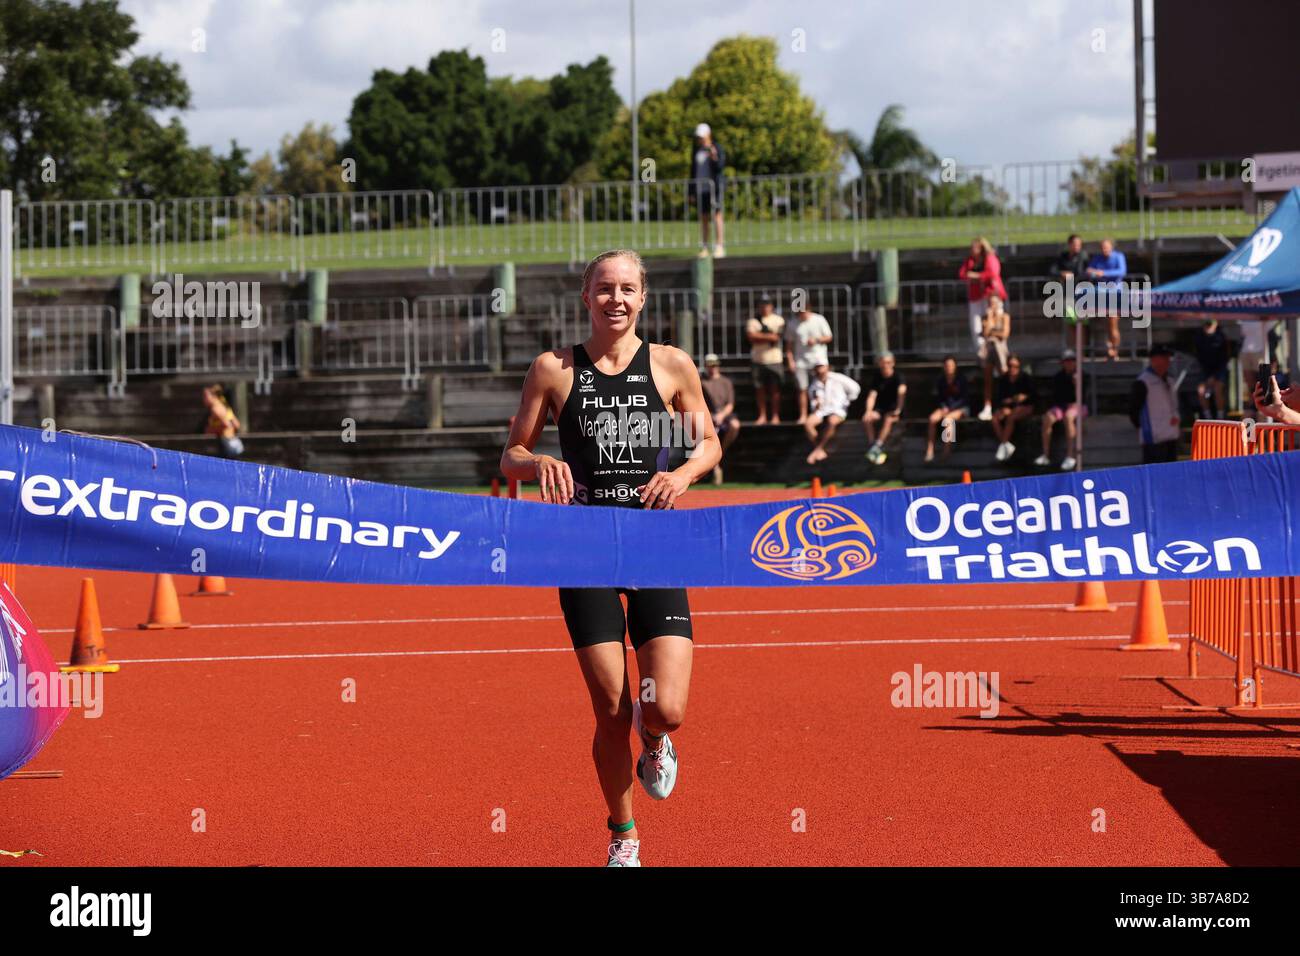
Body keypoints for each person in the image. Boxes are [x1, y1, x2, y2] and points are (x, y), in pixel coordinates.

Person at [499, 249, 721, 867]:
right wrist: (539, 460)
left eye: (627, 289)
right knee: (611, 707)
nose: (615, 300)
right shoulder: (554, 369)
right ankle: (624, 839)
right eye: (604, 289)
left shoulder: (672, 366)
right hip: (585, 549)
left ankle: (656, 740)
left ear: (643, 298)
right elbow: (511, 454)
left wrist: (680, 478)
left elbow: (706, 443)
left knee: (664, 707)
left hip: (654, 545)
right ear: (585, 296)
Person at [1034, 350, 1086, 471]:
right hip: (1061, 406)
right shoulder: (1058, 377)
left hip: (1078, 406)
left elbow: (1082, 398)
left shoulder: (1082, 376)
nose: (1069, 363)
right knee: (1047, 417)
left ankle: (1070, 455)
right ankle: (1045, 455)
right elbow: (1056, 397)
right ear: (1063, 363)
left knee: (1068, 417)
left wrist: (1076, 385)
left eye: (1072, 361)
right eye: (1067, 361)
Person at [1128, 344, 1180, 463]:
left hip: (1171, 436)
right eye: (1164, 357)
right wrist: (1145, 429)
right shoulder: (1143, 382)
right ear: (1154, 360)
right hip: (1154, 440)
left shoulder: (1170, 380)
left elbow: (1174, 405)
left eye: (1168, 358)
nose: (1168, 361)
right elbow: (1134, 410)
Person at [958, 237, 1007, 353]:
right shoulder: (970, 260)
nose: (972, 250)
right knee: (976, 326)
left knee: (993, 323)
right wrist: (979, 277)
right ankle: (982, 350)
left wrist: (976, 276)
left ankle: (997, 349)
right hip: (976, 296)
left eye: (975, 247)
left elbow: (993, 273)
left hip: (991, 295)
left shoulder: (990, 258)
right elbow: (962, 274)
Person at [784, 309, 834, 424]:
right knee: (802, 389)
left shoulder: (819, 319)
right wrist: (790, 361)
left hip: (819, 361)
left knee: (820, 388)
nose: (802, 315)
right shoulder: (792, 323)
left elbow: (829, 337)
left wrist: (816, 340)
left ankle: (821, 414)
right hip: (800, 362)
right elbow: (789, 346)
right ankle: (803, 415)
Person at [805, 363, 860, 465]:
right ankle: (819, 449)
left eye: (821, 367)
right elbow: (813, 404)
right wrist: (816, 405)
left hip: (838, 410)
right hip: (822, 411)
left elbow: (855, 388)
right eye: (818, 368)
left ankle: (818, 449)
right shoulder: (814, 385)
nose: (820, 370)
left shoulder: (838, 378)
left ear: (827, 367)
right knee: (808, 423)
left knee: (832, 421)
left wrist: (847, 401)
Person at [745, 294, 786, 425]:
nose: (764, 307)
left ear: (772, 306)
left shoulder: (778, 320)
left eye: (767, 304)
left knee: (775, 390)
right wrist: (768, 336)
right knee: (760, 389)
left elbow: (777, 337)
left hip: (775, 360)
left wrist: (760, 336)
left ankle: (775, 416)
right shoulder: (752, 321)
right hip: (758, 360)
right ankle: (762, 416)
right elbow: (751, 337)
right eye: (762, 305)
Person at [1085, 238, 1128, 360]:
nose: (1105, 250)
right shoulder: (1097, 258)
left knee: (1113, 322)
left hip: (1115, 293)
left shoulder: (1118, 256)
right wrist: (1094, 273)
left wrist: (1102, 273)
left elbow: (1122, 271)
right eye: (1103, 247)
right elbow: (1089, 270)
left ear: (1112, 247)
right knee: (1106, 324)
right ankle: (1110, 350)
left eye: (1107, 247)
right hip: (1101, 293)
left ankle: (1115, 351)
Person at [700, 353, 740, 484]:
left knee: (735, 425)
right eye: (710, 365)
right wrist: (710, 416)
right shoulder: (701, 382)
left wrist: (721, 415)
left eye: (714, 365)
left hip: (724, 414)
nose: (712, 368)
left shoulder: (726, 382)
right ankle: (715, 466)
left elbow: (730, 404)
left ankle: (719, 453)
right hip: (707, 414)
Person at [688, 123, 726, 259]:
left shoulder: (716, 148)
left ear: (708, 135)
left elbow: (720, 167)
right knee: (704, 217)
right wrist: (691, 191)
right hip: (701, 189)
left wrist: (714, 157)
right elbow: (693, 172)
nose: (700, 139)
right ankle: (704, 246)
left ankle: (719, 246)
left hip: (714, 188)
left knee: (717, 216)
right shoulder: (697, 151)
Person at [989, 354, 1035, 462]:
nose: (1012, 369)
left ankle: (1003, 445)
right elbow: (1000, 399)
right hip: (1008, 408)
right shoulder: (1003, 379)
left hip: (1025, 407)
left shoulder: (1025, 378)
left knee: (1011, 417)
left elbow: (1032, 397)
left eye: (1015, 366)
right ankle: (1005, 445)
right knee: (994, 419)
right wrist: (1008, 404)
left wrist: (1020, 399)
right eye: (1010, 366)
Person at [924, 355, 970, 463]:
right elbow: (939, 398)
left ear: (955, 367)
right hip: (946, 407)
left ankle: (946, 451)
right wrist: (944, 407)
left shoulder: (961, 380)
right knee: (932, 419)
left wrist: (951, 409)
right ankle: (930, 450)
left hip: (961, 408)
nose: (949, 368)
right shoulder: (941, 380)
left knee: (948, 420)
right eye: (947, 365)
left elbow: (964, 398)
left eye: (951, 365)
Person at [863, 352, 905, 465]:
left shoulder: (898, 376)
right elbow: (872, 395)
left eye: (888, 362)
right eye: (883, 363)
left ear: (893, 363)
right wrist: (868, 411)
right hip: (880, 410)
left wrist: (899, 409)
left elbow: (902, 392)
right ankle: (873, 445)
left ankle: (877, 446)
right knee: (867, 418)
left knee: (888, 418)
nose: (885, 365)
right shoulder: (877, 377)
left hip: (894, 410)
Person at [975, 293, 1012, 421]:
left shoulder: (1005, 317)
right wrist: (991, 318)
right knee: (988, 380)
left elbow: (1004, 334)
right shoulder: (985, 317)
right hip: (989, 350)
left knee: (1005, 377)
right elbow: (985, 333)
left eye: (994, 303)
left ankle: (1006, 403)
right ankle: (987, 406)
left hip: (1001, 350)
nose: (992, 305)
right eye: (990, 303)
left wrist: (992, 332)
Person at [1194, 320, 1230, 420]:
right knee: (1201, 391)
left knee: (1218, 389)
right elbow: (1199, 358)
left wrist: (1215, 376)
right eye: (1206, 325)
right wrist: (1208, 377)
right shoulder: (1199, 337)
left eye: (1210, 325)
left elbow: (1224, 359)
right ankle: (1207, 417)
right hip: (1205, 371)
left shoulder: (1221, 337)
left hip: (1219, 370)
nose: (1208, 328)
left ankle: (1220, 417)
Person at [1054, 233, 1090, 326]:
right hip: (1068, 293)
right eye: (1075, 244)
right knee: (1071, 320)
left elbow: (1081, 272)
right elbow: (1052, 270)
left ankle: (1082, 340)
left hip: (1082, 293)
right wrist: (1062, 273)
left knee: (1083, 322)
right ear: (1069, 244)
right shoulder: (1063, 257)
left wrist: (1071, 274)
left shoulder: (1083, 256)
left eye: (1079, 244)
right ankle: (1074, 340)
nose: (1077, 247)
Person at [1239, 319, 1271, 413]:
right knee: (1249, 383)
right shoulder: (1245, 318)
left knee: (1261, 382)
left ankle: (1262, 407)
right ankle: (1252, 406)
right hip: (1245, 351)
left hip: (1260, 351)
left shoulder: (1266, 319)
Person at [203, 385, 244, 458]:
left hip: (225, 442)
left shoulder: (215, 410)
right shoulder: (225, 406)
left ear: (214, 396)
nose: (204, 399)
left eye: (206, 396)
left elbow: (226, 425)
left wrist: (211, 429)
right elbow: (236, 424)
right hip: (232, 441)